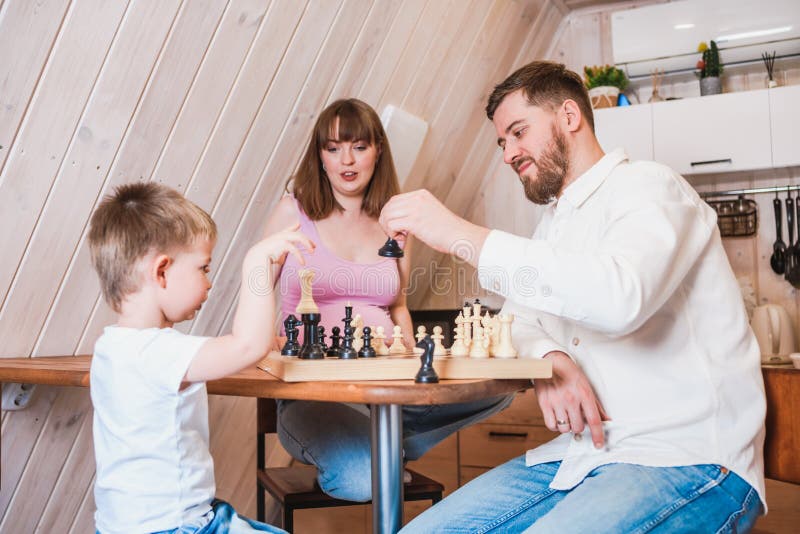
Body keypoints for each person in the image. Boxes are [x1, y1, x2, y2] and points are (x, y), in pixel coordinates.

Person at [379, 61, 766, 532]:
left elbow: (620, 297)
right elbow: (519, 322)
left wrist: (457, 233)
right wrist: (552, 358)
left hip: (687, 458)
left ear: (569, 115)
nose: (508, 154)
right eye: (503, 142)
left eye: (518, 132)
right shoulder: (555, 225)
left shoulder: (650, 188)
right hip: (584, 455)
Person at [261, 98, 513, 502]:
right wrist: (263, 340)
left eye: (359, 146)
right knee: (364, 482)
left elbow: (397, 306)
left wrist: (413, 355)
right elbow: (256, 289)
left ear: (378, 150)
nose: (347, 159)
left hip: (387, 388)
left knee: (499, 386)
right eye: (333, 147)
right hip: (313, 394)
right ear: (319, 156)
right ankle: (383, 453)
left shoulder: (395, 224)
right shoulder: (292, 211)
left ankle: (383, 446)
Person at [88, 182, 312, 534]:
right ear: (161, 271)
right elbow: (247, 346)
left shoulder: (111, 348)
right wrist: (257, 263)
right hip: (175, 528)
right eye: (203, 268)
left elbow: (253, 343)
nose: (209, 283)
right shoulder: (158, 353)